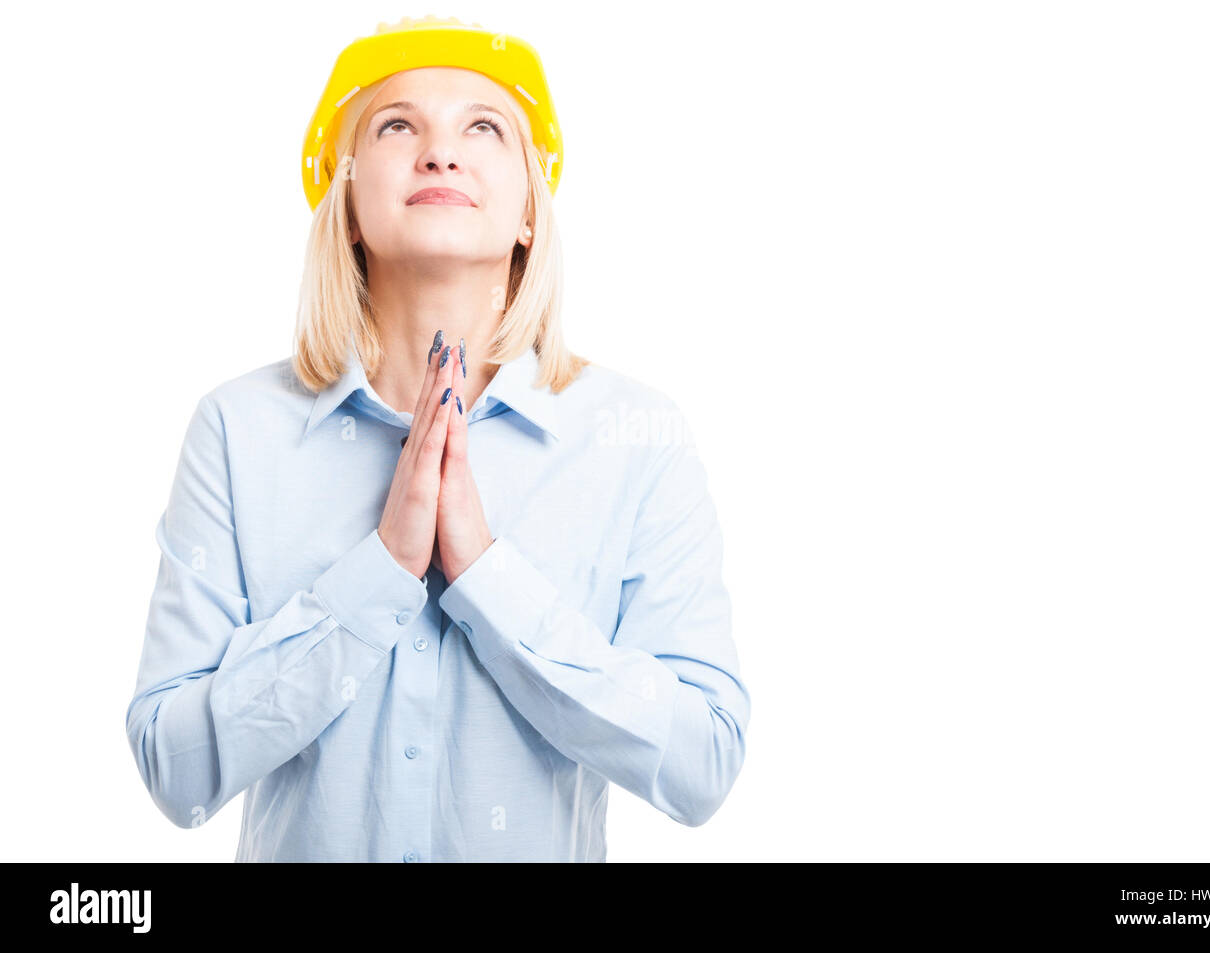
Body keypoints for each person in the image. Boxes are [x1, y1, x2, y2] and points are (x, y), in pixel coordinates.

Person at [124, 16, 751, 862]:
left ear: (531, 210)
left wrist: (488, 575)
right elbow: (175, 766)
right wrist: (376, 573)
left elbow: (701, 763)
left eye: (483, 127)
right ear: (344, 204)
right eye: (397, 125)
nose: (441, 153)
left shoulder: (636, 440)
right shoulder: (237, 430)